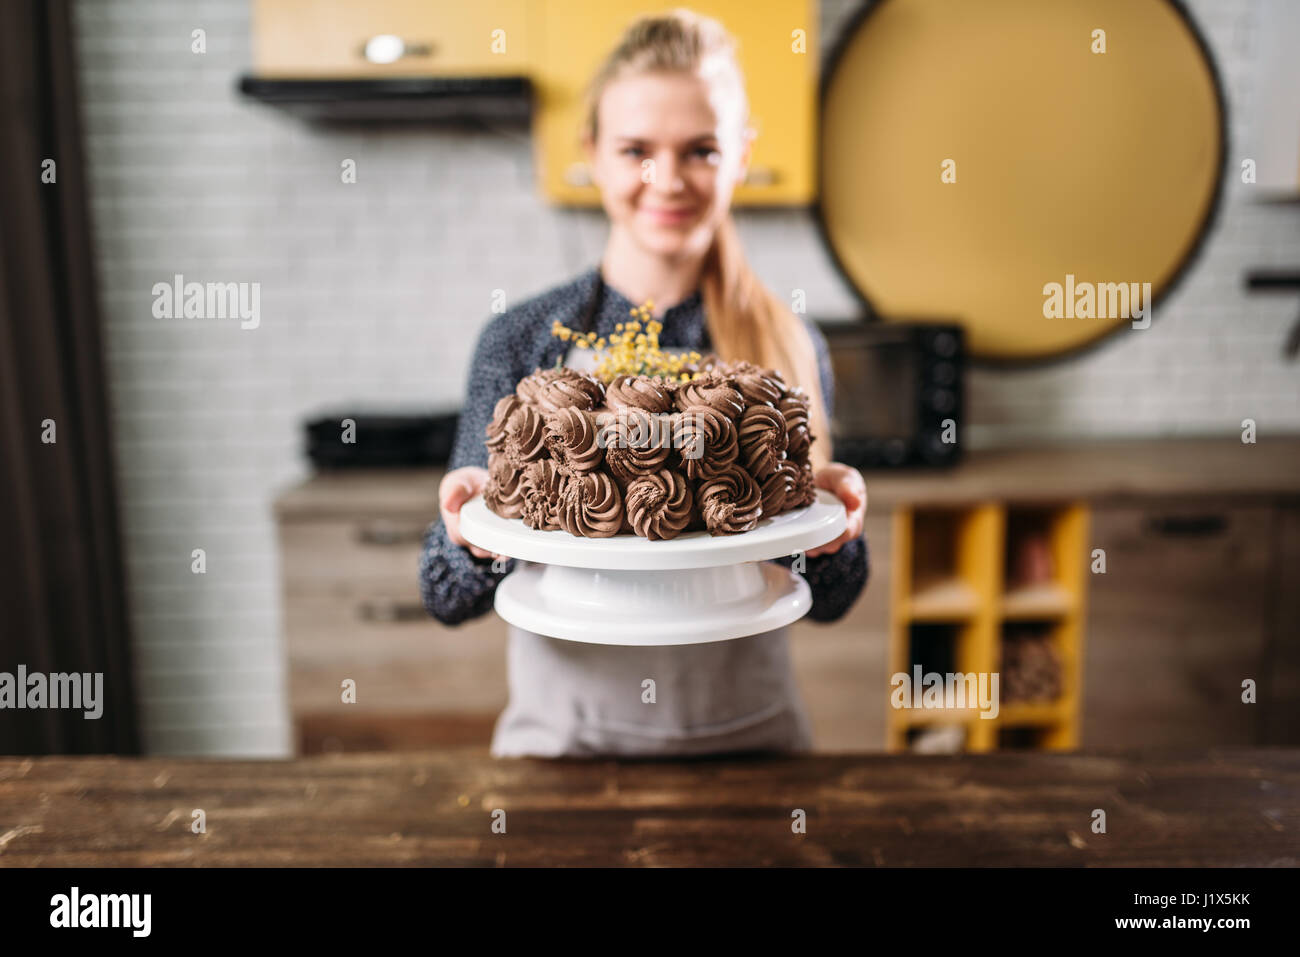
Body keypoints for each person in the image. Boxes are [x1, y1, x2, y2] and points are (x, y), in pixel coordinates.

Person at [418, 9, 868, 758]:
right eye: (636, 149)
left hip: (752, 746)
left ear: (742, 154)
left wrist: (836, 527)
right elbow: (444, 592)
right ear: (592, 152)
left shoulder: (786, 345)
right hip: (563, 746)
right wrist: (466, 532)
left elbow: (836, 599)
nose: (667, 179)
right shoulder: (524, 342)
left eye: (700, 149)